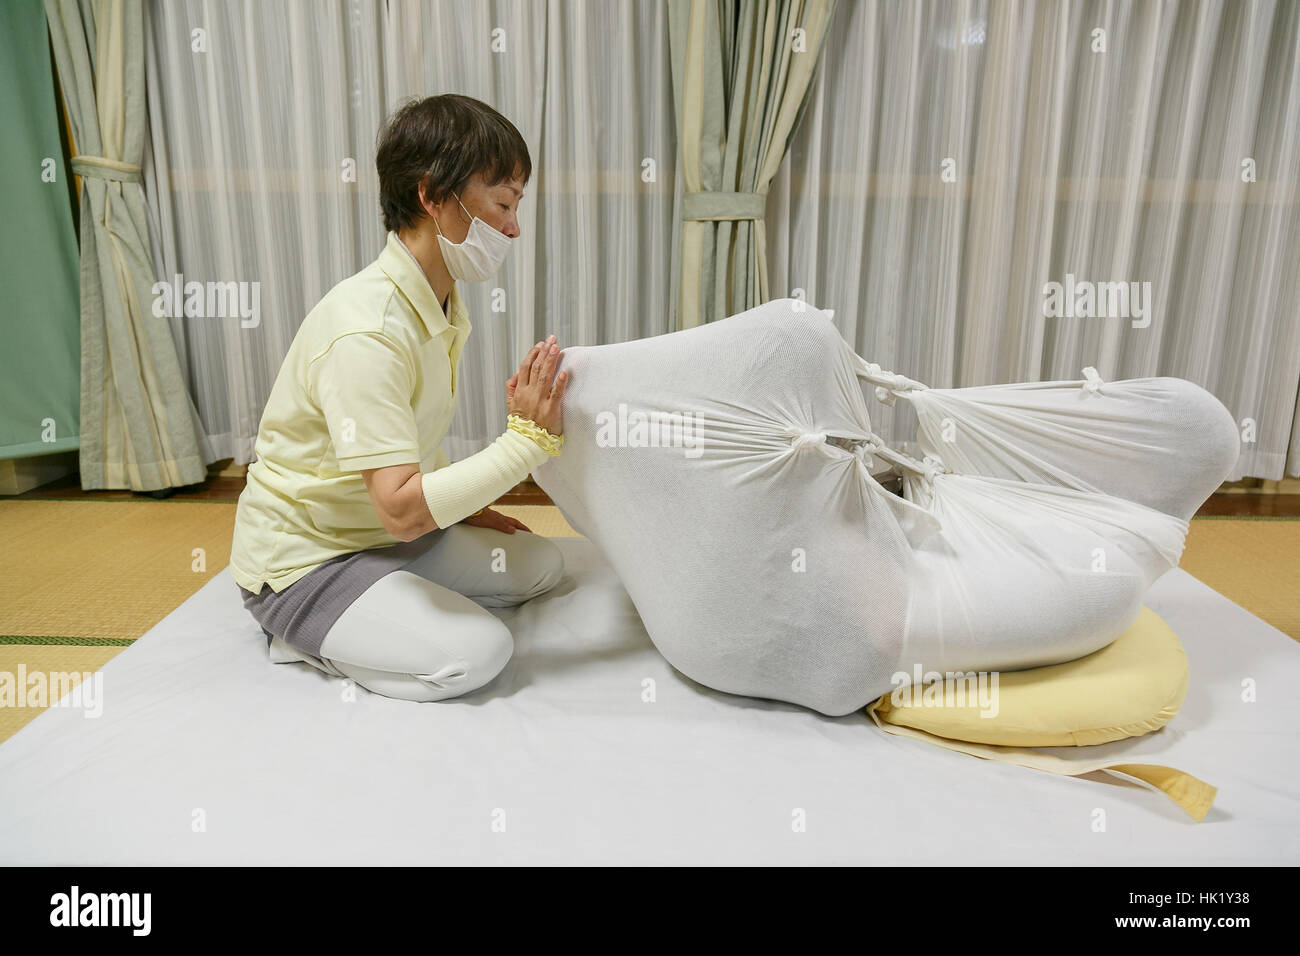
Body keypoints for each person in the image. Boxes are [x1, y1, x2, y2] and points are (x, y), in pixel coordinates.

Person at [229, 94, 570, 702]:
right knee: (480, 655)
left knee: (541, 566)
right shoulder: (367, 329)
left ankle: (385, 600)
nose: (514, 227)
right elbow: (404, 509)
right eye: (503, 203)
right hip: (308, 561)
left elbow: (412, 450)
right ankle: (304, 637)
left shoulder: (438, 300)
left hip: (384, 537)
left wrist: (464, 508)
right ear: (433, 194)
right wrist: (529, 445)